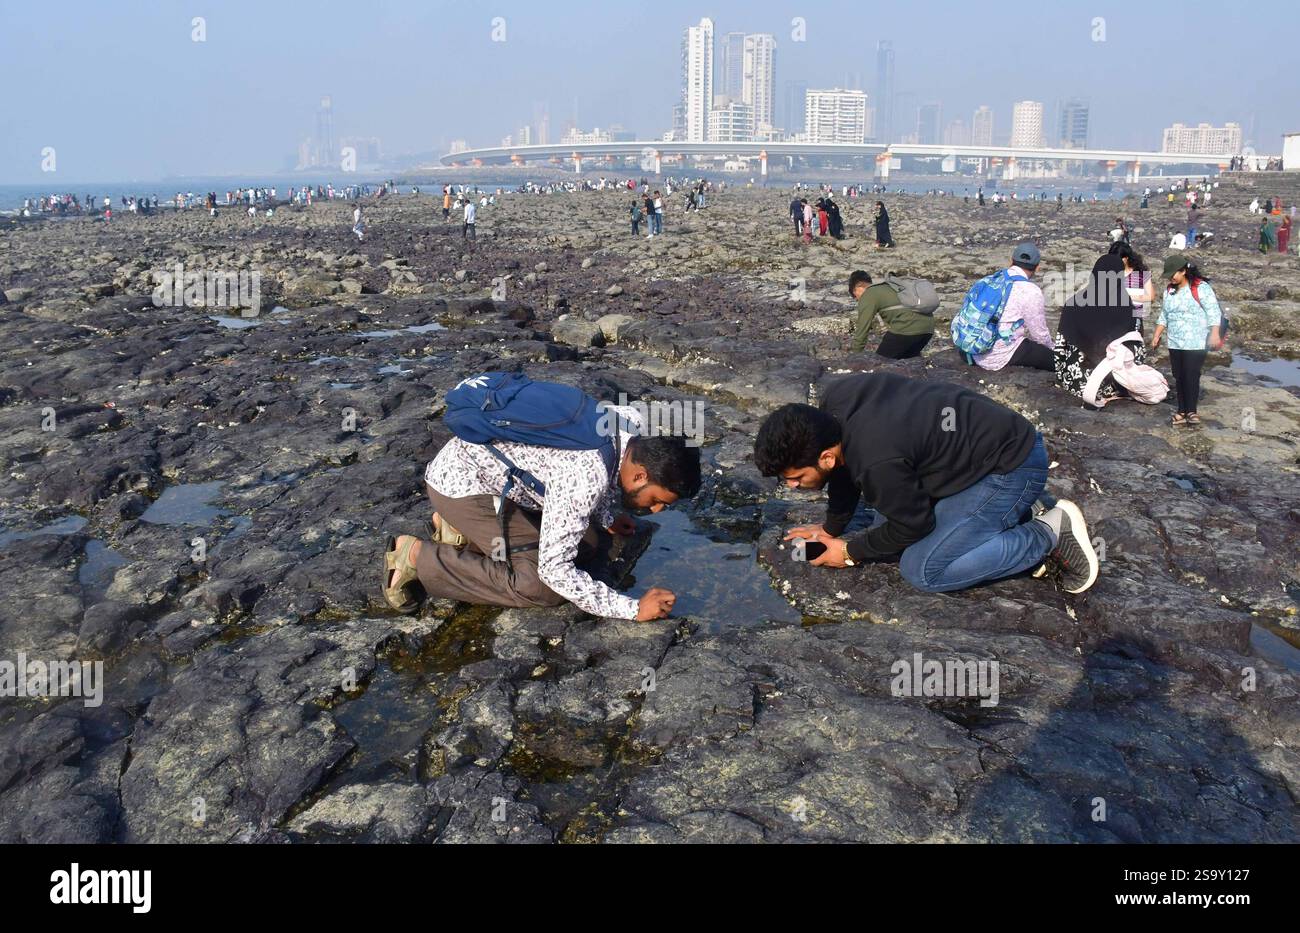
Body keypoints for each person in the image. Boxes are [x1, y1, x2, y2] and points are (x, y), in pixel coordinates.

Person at [753, 373, 1099, 595]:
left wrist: (847, 552)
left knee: (923, 568)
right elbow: (844, 472)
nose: (794, 487)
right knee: (882, 522)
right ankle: (1023, 510)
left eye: (796, 478)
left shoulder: (877, 460)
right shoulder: (837, 402)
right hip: (985, 449)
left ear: (825, 457)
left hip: (1012, 467)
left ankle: (1047, 533)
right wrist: (831, 528)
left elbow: (913, 525)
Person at [383, 393, 701, 621]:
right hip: (462, 485)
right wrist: (632, 608)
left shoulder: (630, 424)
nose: (656, 510)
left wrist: (607, 516)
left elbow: (607, 463)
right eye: (657, 500)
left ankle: (459, 530)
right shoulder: (585, 475)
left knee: (590, 541)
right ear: (641, 474)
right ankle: (416, 557)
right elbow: (554, 571)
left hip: (493, 474)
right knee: (540, 587)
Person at [1054, 254, 1151, 405]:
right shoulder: (1130, 308)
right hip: (1113, 384)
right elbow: (1138, 348)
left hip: (1075, 382)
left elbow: (1060, 348)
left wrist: (1061, 377)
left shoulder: (1072, 303)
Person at [1151, 253, 1223, 426]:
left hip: (1196, 341)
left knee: (1191, 374)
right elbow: (1165, 314)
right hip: (1175, 341)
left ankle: (1191, 411)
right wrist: (1157, 334)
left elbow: (1213, 311)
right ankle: (1181, 410)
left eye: (1173, 274)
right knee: (1179, 375)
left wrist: (1215, 333)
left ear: (1183, 271)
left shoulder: (1201, 287)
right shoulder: (1169, 290)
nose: (1171, 278)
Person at [970, 243, 1054, 372]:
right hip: (1002, 354)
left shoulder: (989, 279)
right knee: (1057, 361)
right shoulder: (1031, 291)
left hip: (974, 348)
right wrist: (1053, 350)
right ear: (1037, 268)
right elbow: (1039, 335)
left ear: (1011, 261)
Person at [848, 270, 935, 359]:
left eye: (855, 296)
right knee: (907, 363)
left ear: (858, 287)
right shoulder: (889, 287)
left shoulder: (869, 294)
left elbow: (862, 329)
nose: (857, 300)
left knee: (880, 364)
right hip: (928, 329)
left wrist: (854, 357)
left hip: (906, 328)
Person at [1108, 242, 1155, 333]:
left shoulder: (1141, 273)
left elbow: (1151, 296)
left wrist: (1128, 296)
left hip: (1135, 319)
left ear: (1126, 258)